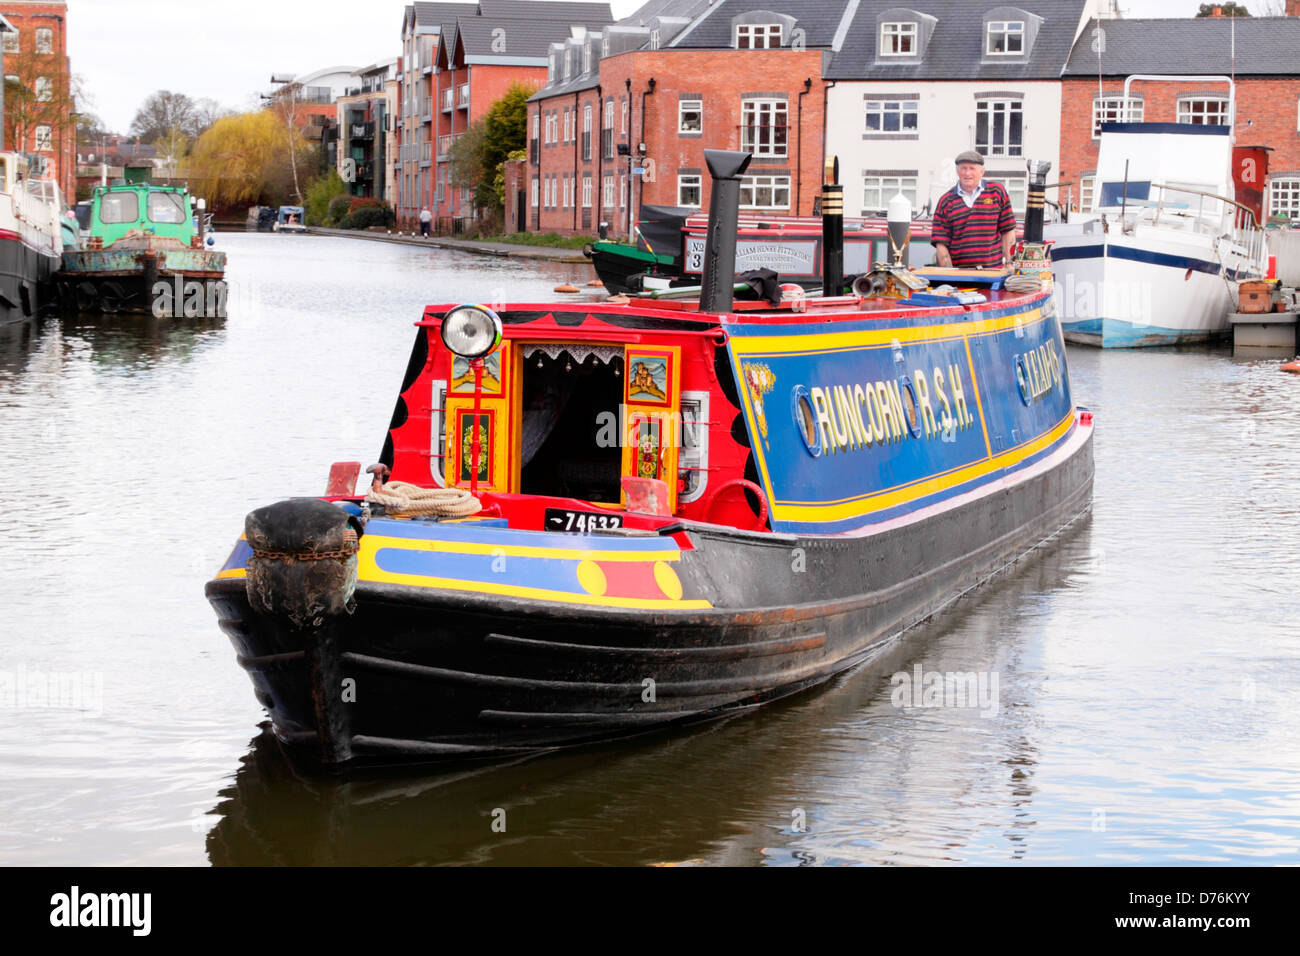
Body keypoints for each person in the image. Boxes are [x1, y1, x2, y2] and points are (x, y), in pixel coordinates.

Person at [931, 150, 1016, 269]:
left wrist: (1009, 263)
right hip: (960, 276)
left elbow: (1007, 230)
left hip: (993, 273)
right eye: (963, 168)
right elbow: (941, 244)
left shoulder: (997, 192)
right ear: (957, 171)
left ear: (982, 172)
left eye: (972, 168)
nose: (967, 173)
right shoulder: (945, 201)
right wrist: (950, 275)